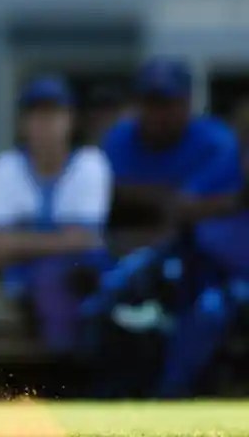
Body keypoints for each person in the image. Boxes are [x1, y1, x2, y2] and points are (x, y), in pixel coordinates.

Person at [83, 58, 249, 398]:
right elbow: (175, 207)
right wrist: (169, 205)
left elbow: (193, 211)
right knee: (113, 298)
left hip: (207, 265)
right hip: (150, 255)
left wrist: (159, 205)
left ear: (188, 103)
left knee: (206, 307)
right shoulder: (119, 140)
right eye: (150, 102)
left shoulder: (215, 142)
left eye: (167, 103)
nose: (158, 113)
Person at [0, 77, 113, 356]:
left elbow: (86, 241)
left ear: (70, 120)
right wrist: (58, 240)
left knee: (63, 282)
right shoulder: (5, 167)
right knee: (46, 282)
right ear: (24, 122)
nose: (46, 124)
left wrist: (21, 243)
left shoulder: (90, 163)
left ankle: (73, 375)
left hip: (83, 272)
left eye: (54, 114)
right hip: (23, 276)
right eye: (37, 115)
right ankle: (65, 376)